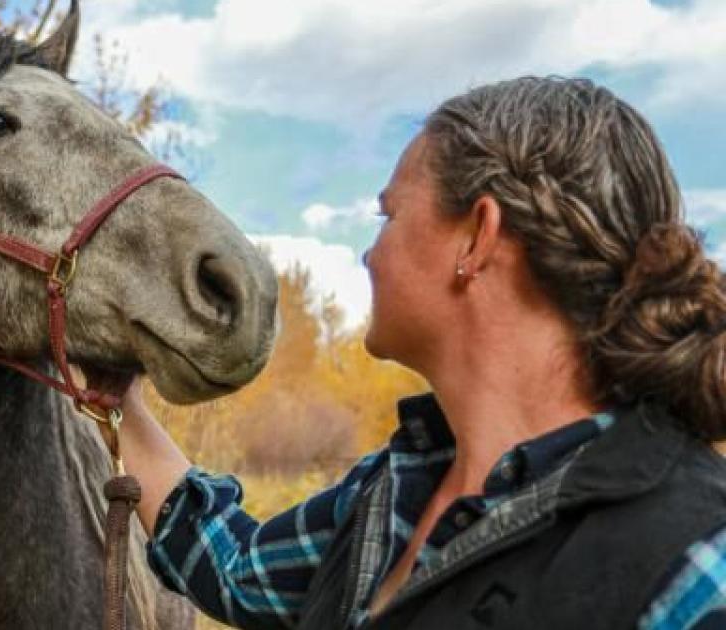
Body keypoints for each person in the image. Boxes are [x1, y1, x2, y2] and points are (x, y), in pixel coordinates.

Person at [112, 76, 726, 629]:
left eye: (388, 215)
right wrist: (116, 397)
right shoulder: (391, 491)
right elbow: (234, 568)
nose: (368, 254)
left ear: (477, 237)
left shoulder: (695, 566)